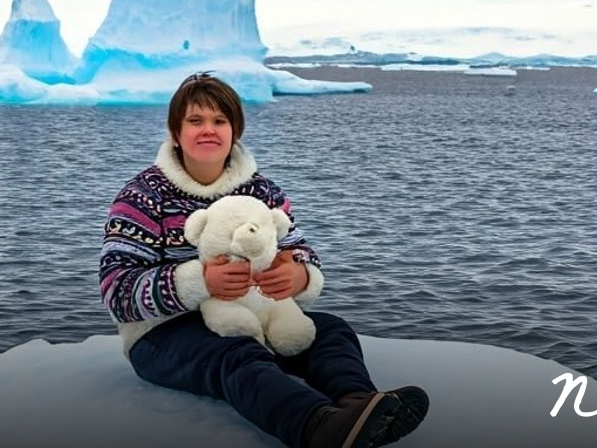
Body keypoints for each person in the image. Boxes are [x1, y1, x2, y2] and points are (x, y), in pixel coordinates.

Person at [100, 73, 429, 448]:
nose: (208, 130)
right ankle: (317, 427)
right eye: (195, 121)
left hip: (256, 313)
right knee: (236, 353)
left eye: (219, 121)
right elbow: (116, 291)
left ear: (234, 130)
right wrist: (198, 282)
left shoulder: (262, 191)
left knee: (330, 330)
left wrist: (299, 276)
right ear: (175, 133)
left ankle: (362, 407)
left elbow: (300, 249)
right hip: (162, 333)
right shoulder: (142, 197)